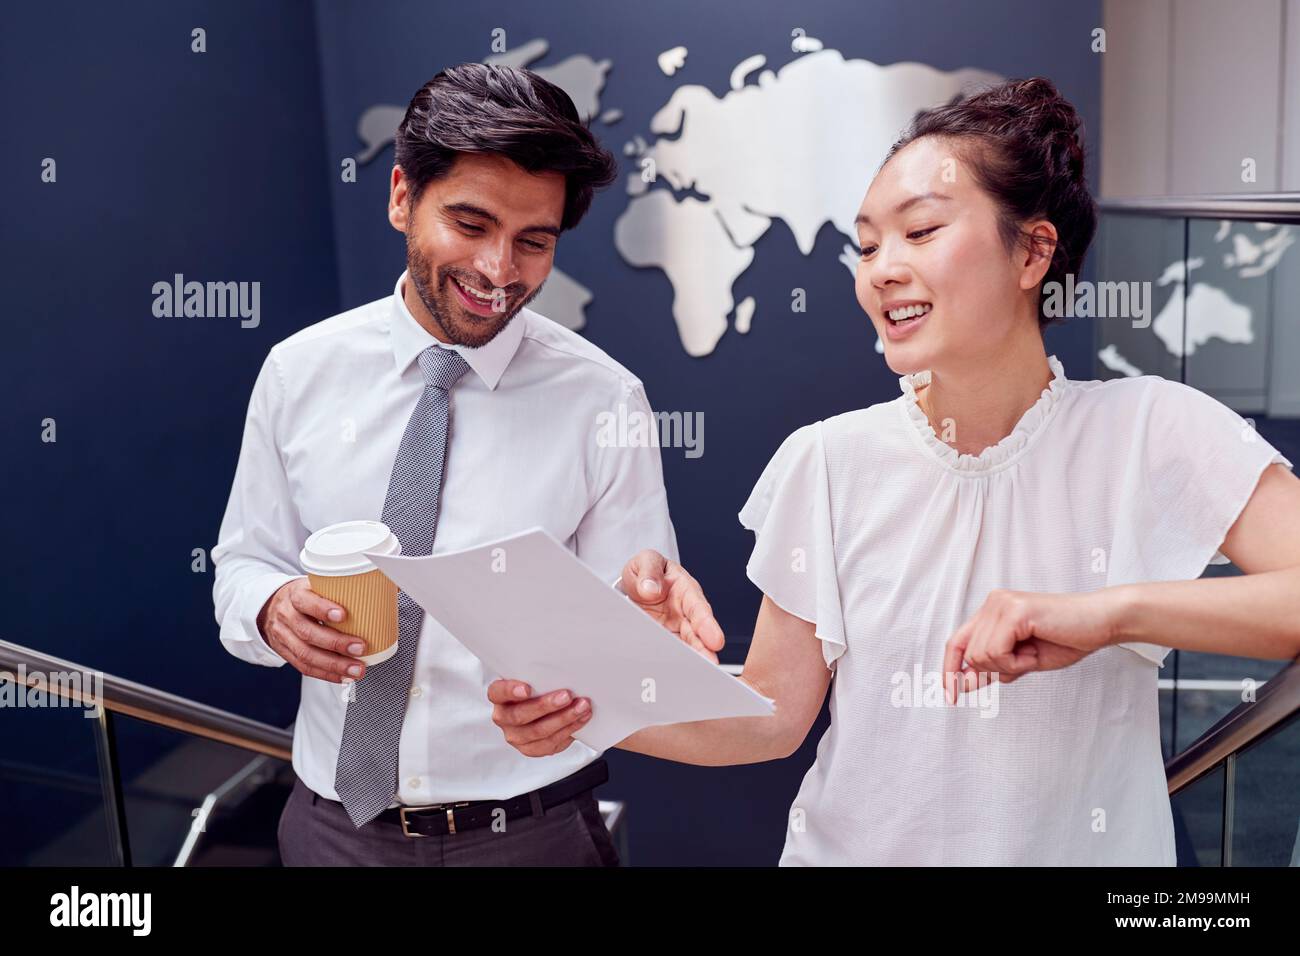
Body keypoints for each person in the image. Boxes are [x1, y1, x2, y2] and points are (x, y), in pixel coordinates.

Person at [487, 77, 1300, 865]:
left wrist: (1111, 615)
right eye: (868, 244)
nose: (879, 269)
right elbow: (771, 718)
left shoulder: (1151, 428)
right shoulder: (828, 460)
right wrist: (586, 708)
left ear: (1033, 252)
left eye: (920, 232)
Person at [211, 63, 722, 867]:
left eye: (534, 241)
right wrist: (270, 607)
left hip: (532, 835)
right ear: (401, 197)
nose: (498, 271)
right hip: (329, 833)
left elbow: (630, 619)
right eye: (471, 224)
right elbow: (241, 561)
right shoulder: (296, 373)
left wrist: (594, 694)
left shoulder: (605, 399)